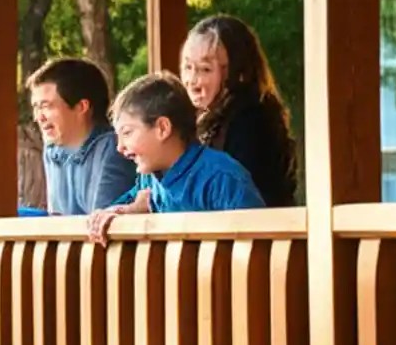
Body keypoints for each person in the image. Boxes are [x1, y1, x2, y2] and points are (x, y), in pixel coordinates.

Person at [86, 72, 265, 245]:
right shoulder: (148, 181)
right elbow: (122, 207)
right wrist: (126, 211)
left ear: (162, 128)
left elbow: (257, 244)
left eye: (127, 133)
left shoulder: (221, 177)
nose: (120, 147)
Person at [180, 14, 299, 207]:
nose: (192, 80)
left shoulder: (251, 120)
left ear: (238, 73)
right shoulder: (203, 120)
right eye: (187, 67)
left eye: (205, 69)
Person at [27, 58, 136, 216]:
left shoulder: (114, 148)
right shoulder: (52, 150)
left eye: (46, 106)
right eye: (36, 107)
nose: (38, 117)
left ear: (82, 107)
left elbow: (101, 225)